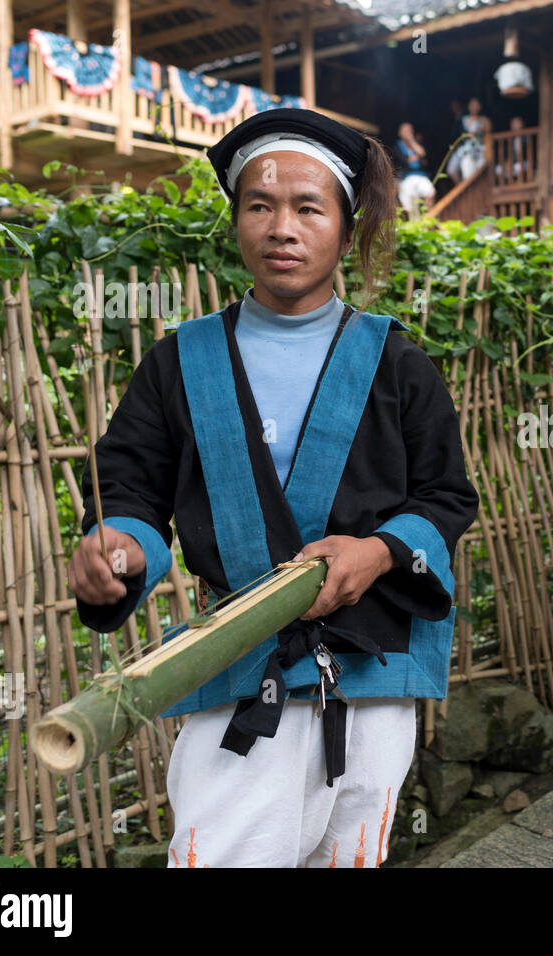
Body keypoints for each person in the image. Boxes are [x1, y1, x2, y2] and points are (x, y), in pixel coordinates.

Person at [65, 109, 479, 867]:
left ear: (346, 234)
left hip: (372, 674)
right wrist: (118, 548)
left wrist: (379, 553)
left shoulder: (396, 362)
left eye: (307, 207)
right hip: (238, 670)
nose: (281, 226)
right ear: (236, 224)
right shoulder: (178, 362)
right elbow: (131, 491)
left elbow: (446, 497)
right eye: (259, 204)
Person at [396, 121, 436, 216]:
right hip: (406, 178)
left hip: (420, 176)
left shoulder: (416, 143)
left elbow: (422, 154)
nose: (408, 132)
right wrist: (418, 157)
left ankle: (427, 219)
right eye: (405, 130)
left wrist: (412, 141)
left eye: (409, 130)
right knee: (410, 208)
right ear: (400, 133)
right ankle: (416, 226)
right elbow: (406, 160)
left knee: (431, 193)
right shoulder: (397, 146)